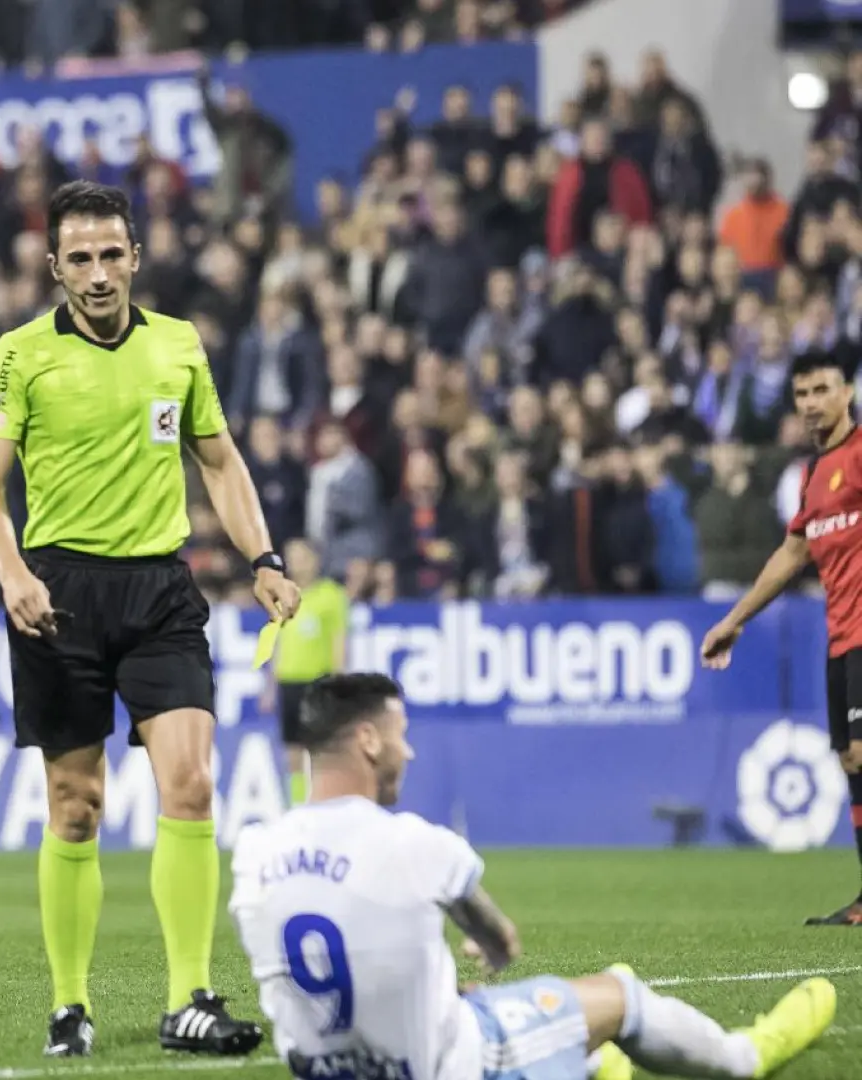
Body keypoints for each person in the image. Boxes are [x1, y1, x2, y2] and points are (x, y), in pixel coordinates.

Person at [0, 179, 302, 1059]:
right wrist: (11, 575)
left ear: (136, 257)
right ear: (54, 267)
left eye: (112, 253)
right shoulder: (18, 355)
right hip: (57, 594)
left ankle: (188, 997)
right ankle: (70, 1006)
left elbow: (221, 463)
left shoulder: (179, 347)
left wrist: (263, 558)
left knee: (190, 786)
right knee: (76, 806)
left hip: (160, 590)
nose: (99, 271)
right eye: (80, 257)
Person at [229, 673, 835, 1080]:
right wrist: (487, 947)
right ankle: (749, 1053)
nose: (407, 752)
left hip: (331, 1066)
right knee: (621, 993)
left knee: (495, 1007)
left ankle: (591, 1062)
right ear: (367, 740)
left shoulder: (254, 852)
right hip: (454, 1063)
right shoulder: (416, 844)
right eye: (401, 736)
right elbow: (501, 943)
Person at [701, 349, 862, 926]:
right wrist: (734, 619)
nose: (813, 403)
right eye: (802, 394)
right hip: (841, 636)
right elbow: (793, 552)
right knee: (849, 758)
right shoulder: (817, 475)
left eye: (822, 389)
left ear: (846, 392)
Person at [258, 538, 348, 806]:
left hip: (317, 681)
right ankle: (297, 808)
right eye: (292, 557)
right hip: (289, 682)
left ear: (315, 560)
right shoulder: (282, 594)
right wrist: (270, 686)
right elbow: (277, 642)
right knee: (293, 752)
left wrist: (338, 680)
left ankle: (323, 804)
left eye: (302, 557)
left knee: (321, 749)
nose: (297, 563)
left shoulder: (331, 595)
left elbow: (339, 640)